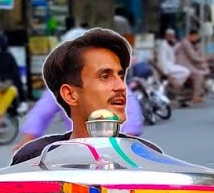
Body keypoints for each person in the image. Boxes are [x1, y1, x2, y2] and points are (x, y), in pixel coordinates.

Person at [13, 29, 160, 164]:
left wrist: (121, 148)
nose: (120, 86)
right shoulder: (36, 155)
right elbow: (40, 114)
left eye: (120, 75)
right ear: (69, 94)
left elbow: (132, 119)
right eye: (104, 76)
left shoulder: (146, 154)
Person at [17, 85, 144, 151]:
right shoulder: (61, 85)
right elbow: (41, 113)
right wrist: (28, 140)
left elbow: (130, 113)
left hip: (115, 145)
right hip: (79, 148)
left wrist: (124, 141)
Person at [0, 32, 25, 112]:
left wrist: (22, 98)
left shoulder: (9, 57)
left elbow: (16, 76)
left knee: (12, 90)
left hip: (9, 84)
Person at [174, 29, 208, 104]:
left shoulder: (189, 43)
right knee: (198, 75)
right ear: (191, 36)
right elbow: (193, 56)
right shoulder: (185, 43)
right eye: (195, 37)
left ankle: (198, 92)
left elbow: (196, 55)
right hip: (183, 65)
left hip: (188, 64)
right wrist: (202, 61)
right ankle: (195, 97)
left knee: (201, 71)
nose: (196, 38)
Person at [155, 29, 191, 96]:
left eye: (172, 36)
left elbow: (173, 49)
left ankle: (176, 85)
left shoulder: (169, 44)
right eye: (170, 36)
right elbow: (162, 59)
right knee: (186, 71)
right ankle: (176, 85)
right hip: (167, 67)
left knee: (185, 71)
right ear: (166, 36)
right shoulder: (163, 45)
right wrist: (165, 72)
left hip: (170, 66)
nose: (171, 37)